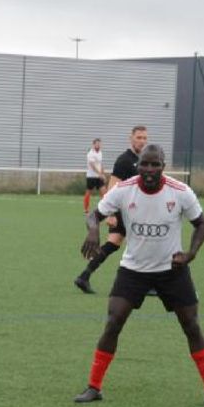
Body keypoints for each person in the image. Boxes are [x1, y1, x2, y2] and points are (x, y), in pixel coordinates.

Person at [73, 144, 204, 407]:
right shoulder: (124, 189)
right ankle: (94, 387)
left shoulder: (180, 192)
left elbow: (200, 223)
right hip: (133, 270)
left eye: (155, 164)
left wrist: (191, 253)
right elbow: (94, 215)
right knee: (113, 321)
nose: (149, 169)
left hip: (172, 270)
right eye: (145, 164)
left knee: (191, 325)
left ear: (163, 167)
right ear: (138, 165)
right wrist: (92, 230)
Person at [74, 125, 147, 294]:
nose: (142, 141)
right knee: (144, 243)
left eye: (144, 138)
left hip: (133, 211)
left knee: (112, 244)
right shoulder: (124, 160)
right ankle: (144, 284)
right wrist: (112, 213)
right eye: (138, 137)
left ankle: (84, 277)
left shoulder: (144, 160)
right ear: (131, 138)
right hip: (125, 211)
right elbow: (113, 187)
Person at [83, 137, 105, 215]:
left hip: (99, 177)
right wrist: (99, 174)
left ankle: (104, 209)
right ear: (93, 144)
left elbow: (100, 164)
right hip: (91, 177)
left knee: (104, 192)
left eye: (100, 144)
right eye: (97, 144)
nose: (98, 145)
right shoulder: (90, 153)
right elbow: (92, 165)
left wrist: (102, 173)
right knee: (89, 193)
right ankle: (86, 210)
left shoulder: (100, 152)